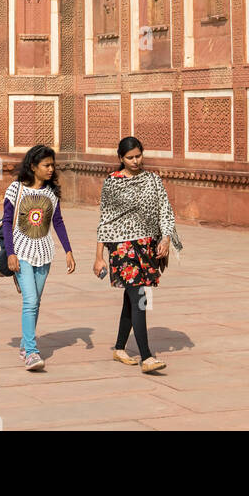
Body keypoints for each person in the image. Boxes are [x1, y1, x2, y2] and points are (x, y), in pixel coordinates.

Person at [93, 135, 182, 374]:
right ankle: (147, 356)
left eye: (138, 156)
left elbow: (165, 210)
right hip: (122, 247)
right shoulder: (112, 182)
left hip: (147, 247)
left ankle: (120, 348)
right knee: (140, 297)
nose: (135, 161)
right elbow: (106, 220)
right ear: (121, 158)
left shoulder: (153, 180)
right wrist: (98, 256)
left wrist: (165, 238)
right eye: (130, 157)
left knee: (131, 300)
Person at [2, 144, 75, 370]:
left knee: (36, 302)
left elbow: (58, 221)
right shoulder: (16, 189)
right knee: (30, 302)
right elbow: (6, 221)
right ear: (33, 167)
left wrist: (68, 250)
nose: (51, 169)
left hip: (44, 252)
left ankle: (25, 343)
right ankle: (32, 353)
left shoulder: (52, 192)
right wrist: (11, 253)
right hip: (22, 252)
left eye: (53, 165)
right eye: (46, 165)